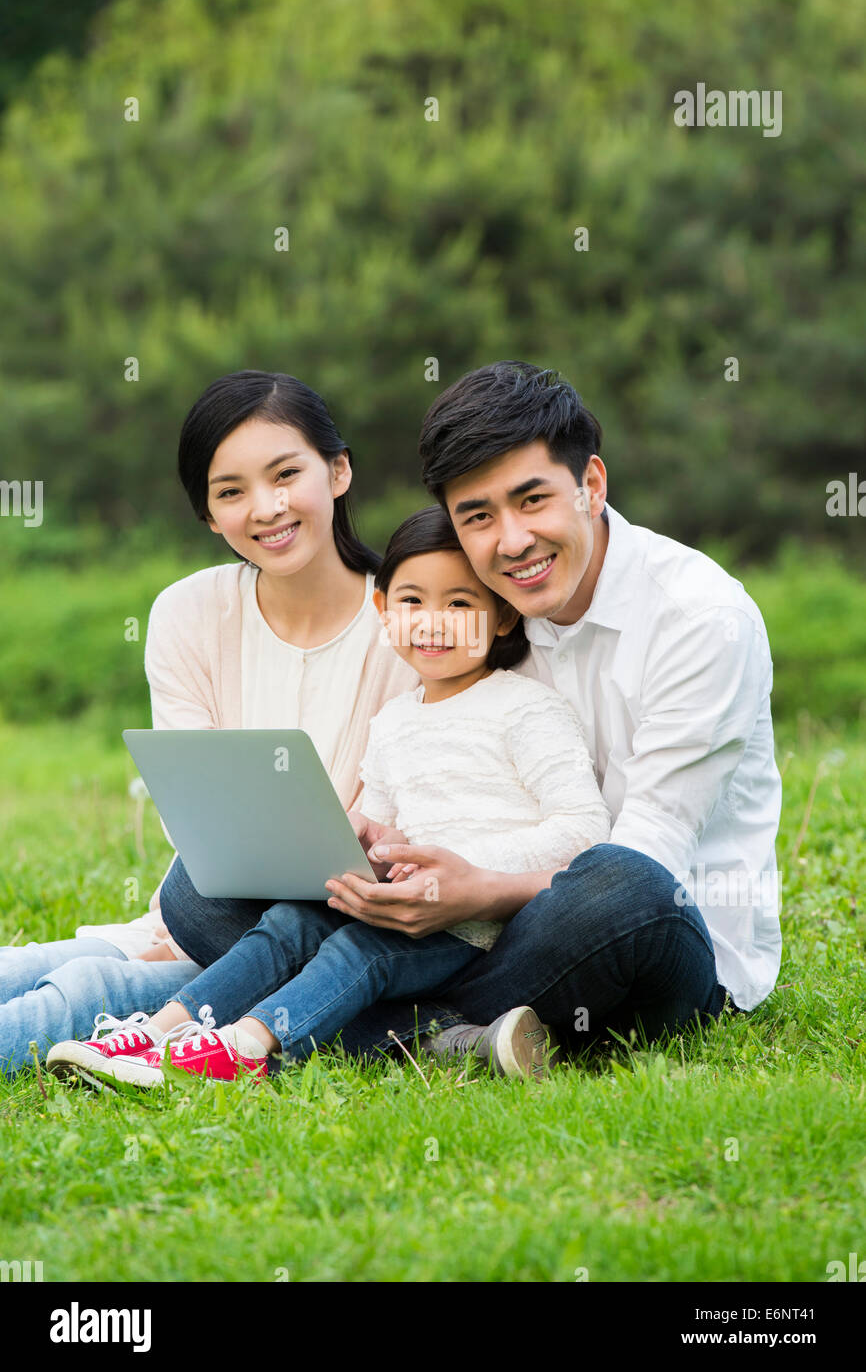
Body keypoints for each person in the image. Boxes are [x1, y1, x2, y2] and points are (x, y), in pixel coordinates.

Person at [293, 360, 783, 1062]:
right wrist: (380, 849)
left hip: (646, 936)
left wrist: (480, 891)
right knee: (203, 894)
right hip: (466, 933)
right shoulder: (487, 616)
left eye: (532, 500)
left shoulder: (701, 619)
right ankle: (456, 1034)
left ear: (591, 484)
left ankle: (351, 1015)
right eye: (478, 517)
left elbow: (648, 853)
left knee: (622, 888)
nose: (512, 541)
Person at [46, 506, 612, 1088]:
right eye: (412, 601)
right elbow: (387, 826)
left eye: (460, 605)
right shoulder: (394, 720)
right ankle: (159, 1031)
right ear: (382, 611)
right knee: (290, 923)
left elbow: (586, 831)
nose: (433, 623)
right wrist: (366, 843)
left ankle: (241, 1048)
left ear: (502, 617)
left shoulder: (526, 707)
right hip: (402, 908)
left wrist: (464, 868)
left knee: (360, 950)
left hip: (477, 926)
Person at [0, 369, 415, 1076]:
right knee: (26, 965)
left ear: (339, 471)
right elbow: (196, 822)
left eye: (286, 474)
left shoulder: (414, 627)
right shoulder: (190, 613)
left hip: (332, 936)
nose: (266, 508)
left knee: (77, 995)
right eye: (231, 492)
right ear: (208, 515)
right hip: (199, 914)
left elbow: (391, 835)